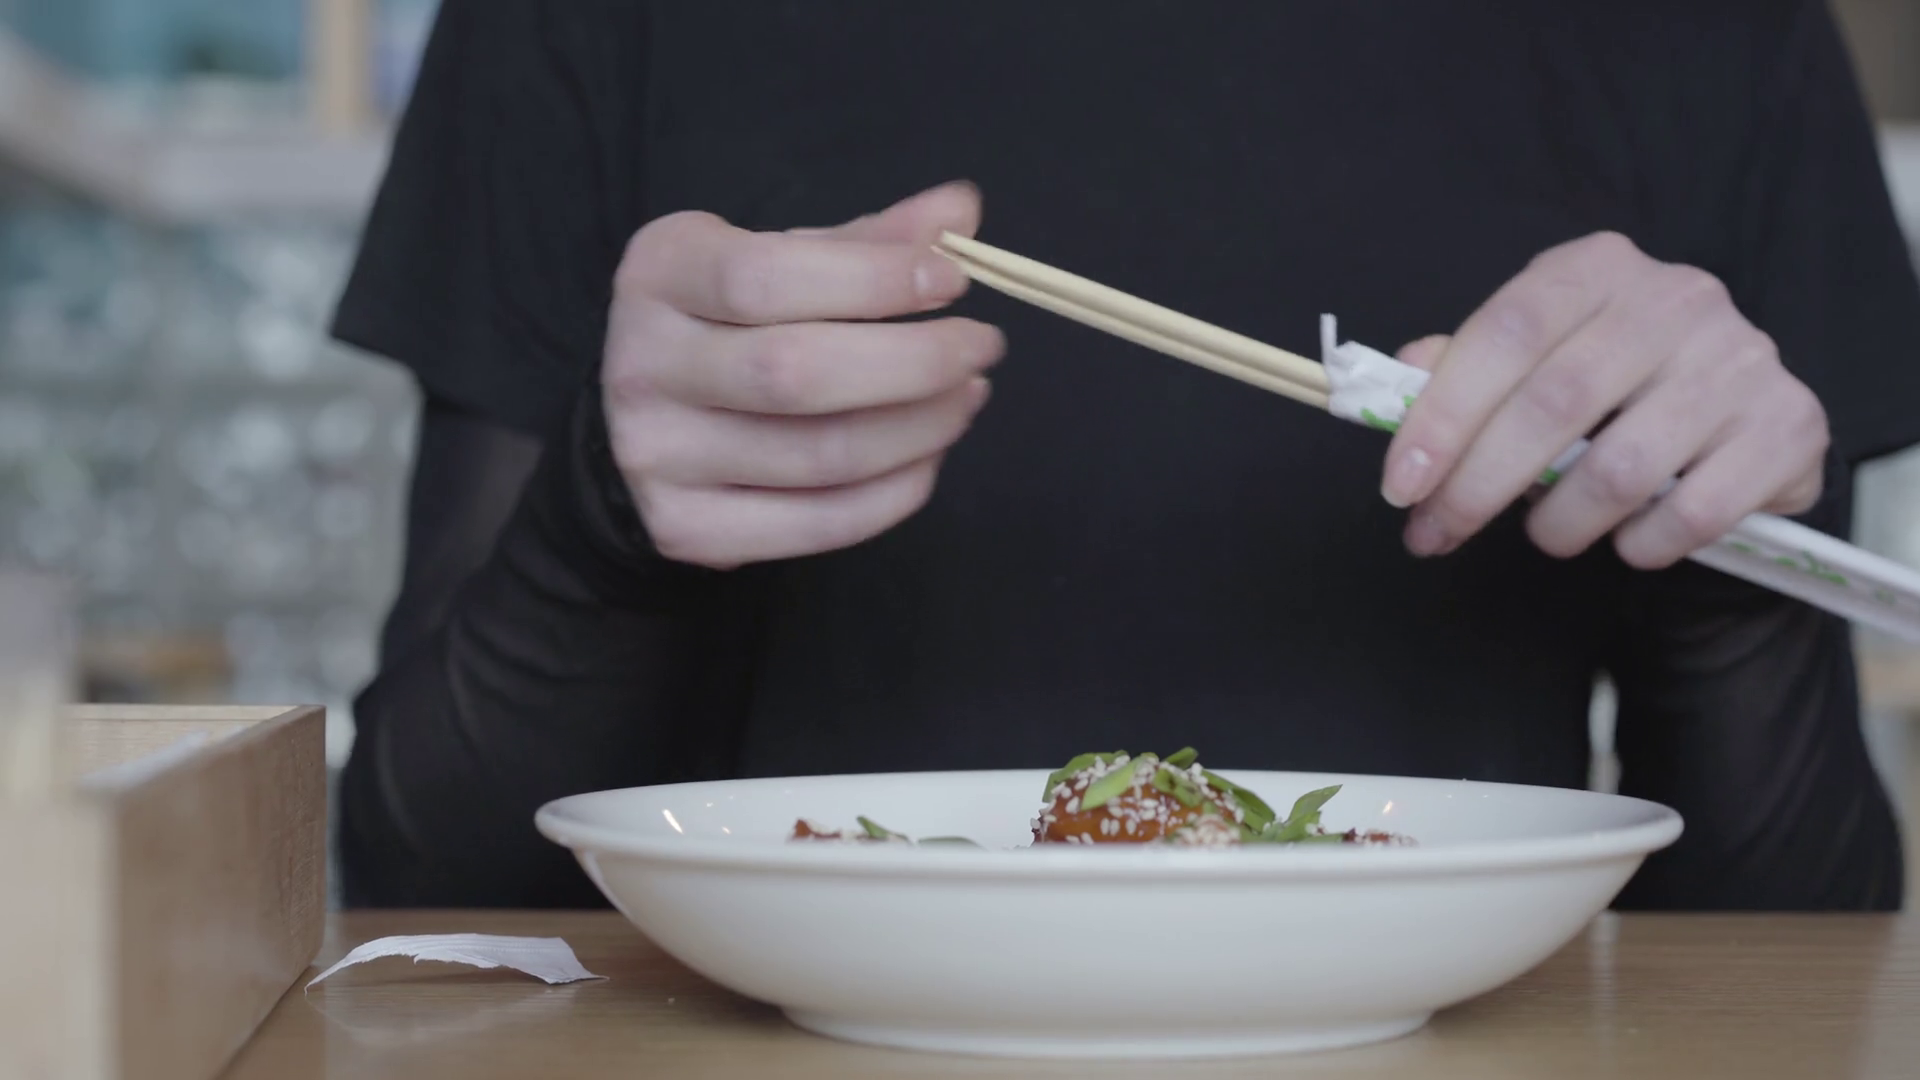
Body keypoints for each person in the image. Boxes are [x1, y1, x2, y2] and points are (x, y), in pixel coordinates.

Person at [332, 1, 1920, 910]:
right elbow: (420, 871)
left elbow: (1802, 954)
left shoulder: (1710, 29)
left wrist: (1720, 562)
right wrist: (607, 527)